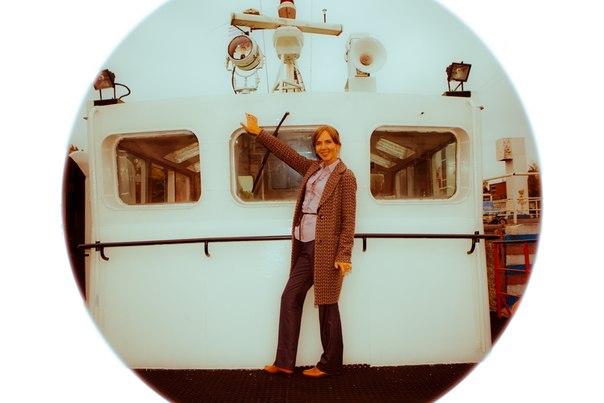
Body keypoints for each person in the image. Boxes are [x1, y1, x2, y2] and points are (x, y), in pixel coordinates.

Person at [240, 113, 357, 378]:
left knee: (327, 305)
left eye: (328, 142)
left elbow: (349, 219)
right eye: (319, 143)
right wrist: (259, 133)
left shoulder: (346, 176)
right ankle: (284, 362)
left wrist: (344, 254)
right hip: (305, 245)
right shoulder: (313, 169)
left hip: (327, 248)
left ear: (338, 145)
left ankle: (330, 365)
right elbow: (287, 154)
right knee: (289, 297)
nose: (323, 147)